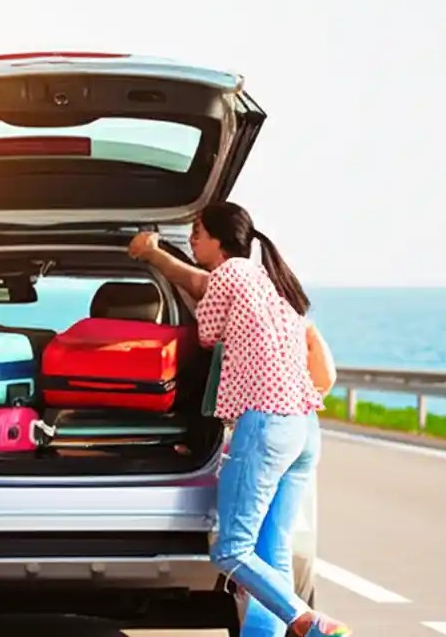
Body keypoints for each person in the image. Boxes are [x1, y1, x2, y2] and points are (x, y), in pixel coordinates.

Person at [128, 202, 350, 637]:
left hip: (267, 424)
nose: (192, 240)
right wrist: (158, 256)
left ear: (219, 238)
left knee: (232, 551)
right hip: (304, 427)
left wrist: (159, 258)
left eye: (197, 231)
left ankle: (315, 625)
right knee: (271, 554)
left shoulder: (229, 277)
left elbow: (207, 334)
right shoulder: (270, 280)